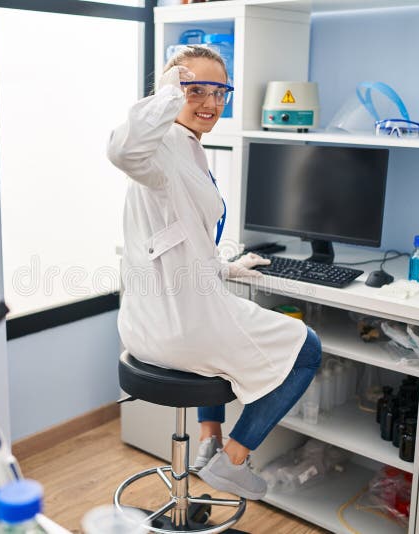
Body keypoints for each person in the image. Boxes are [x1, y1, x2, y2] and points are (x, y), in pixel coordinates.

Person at [107, 45, 322, 500]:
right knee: (308, 349)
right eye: (195, 90)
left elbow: (179, 239)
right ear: (170, 92)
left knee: (223, 325)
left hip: (147, 326)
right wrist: (169, 93)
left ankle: (208, 441)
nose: (210, 103)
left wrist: (226, 265)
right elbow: (122, 150)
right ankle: (233, 460)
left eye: (219, 92)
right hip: (180, 329)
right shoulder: (160, 146)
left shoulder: (187, 149)